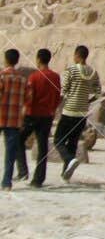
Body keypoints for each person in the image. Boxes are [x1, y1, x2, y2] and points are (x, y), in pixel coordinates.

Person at [55, 44, 101, 183]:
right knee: (73, 142)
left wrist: (57, 106)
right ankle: (66, 174)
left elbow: (63, 91)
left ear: (77, 55)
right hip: (82, 112)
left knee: (58, 140)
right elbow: (98, 94)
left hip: (69, 110)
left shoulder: (71, 70)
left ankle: (69, 159)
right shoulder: (93, 72)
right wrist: (87, 101)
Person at [23, 48, 62, 189]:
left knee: (19, 140)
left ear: (38, 59)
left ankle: (22, 170)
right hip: (47, 115)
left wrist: (25, 110)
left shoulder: (34, 77)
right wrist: (53, 110)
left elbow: (29, 97)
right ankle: (38, 179)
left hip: (33, 114)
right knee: (42, 146)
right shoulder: (55, 77)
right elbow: (58, 96)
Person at [1, 50, 32, 191]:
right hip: (14, 119)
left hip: (1, 116)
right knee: (10, 152)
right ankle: (6, 183)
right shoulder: (23, 79)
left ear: (6, 60)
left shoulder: (2, 76)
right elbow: (28, 98)